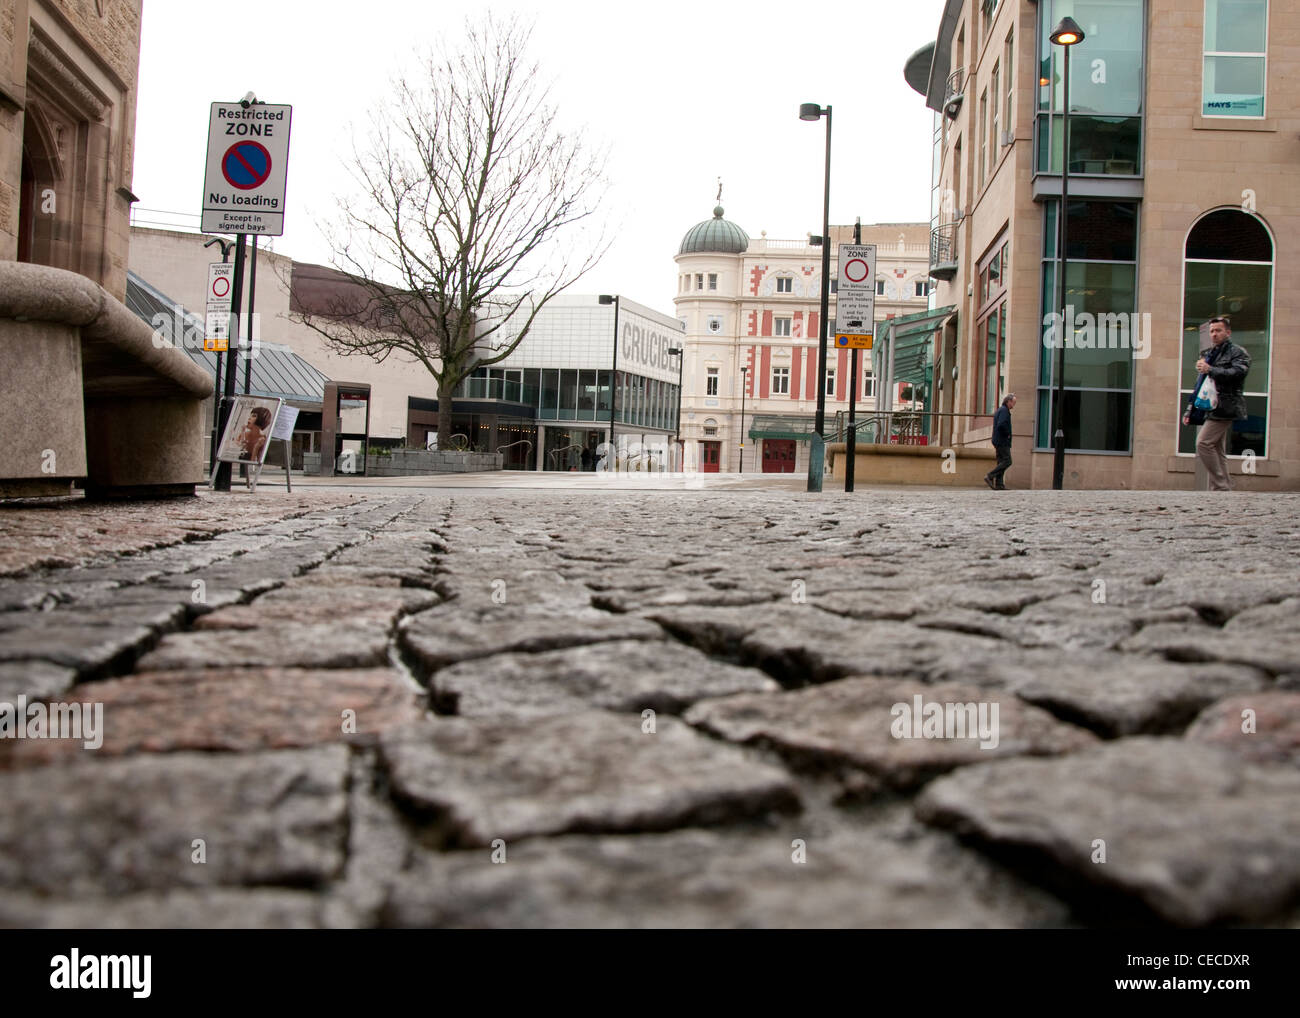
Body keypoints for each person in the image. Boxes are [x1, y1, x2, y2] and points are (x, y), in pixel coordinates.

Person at [1184, 316, 1251, 491]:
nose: (1214, 334)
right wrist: (1189, 410)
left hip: (1227, 405)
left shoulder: (1237, 352)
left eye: (1218, 330)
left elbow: (1238, 372)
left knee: (1203, 443)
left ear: (1227, 332)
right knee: (1217, 449)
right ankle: (1224, 486)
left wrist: (1211, 369)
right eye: (1212, 331)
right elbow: (1200, 384)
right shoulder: (1209, 353)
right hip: (1211, 406)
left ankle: (1220, 485)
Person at [985, 393, 1016, 490]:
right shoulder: (1004, 411)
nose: (1014, 405)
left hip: (998, 440)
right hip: (1002, 440)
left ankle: (999, 484)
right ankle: (990, 476)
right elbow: (1001, 424)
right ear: (1008, 401)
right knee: (1007, 461)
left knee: (1001, 462)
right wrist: (1008, 434)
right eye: (1013, 402)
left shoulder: (1001, 410)